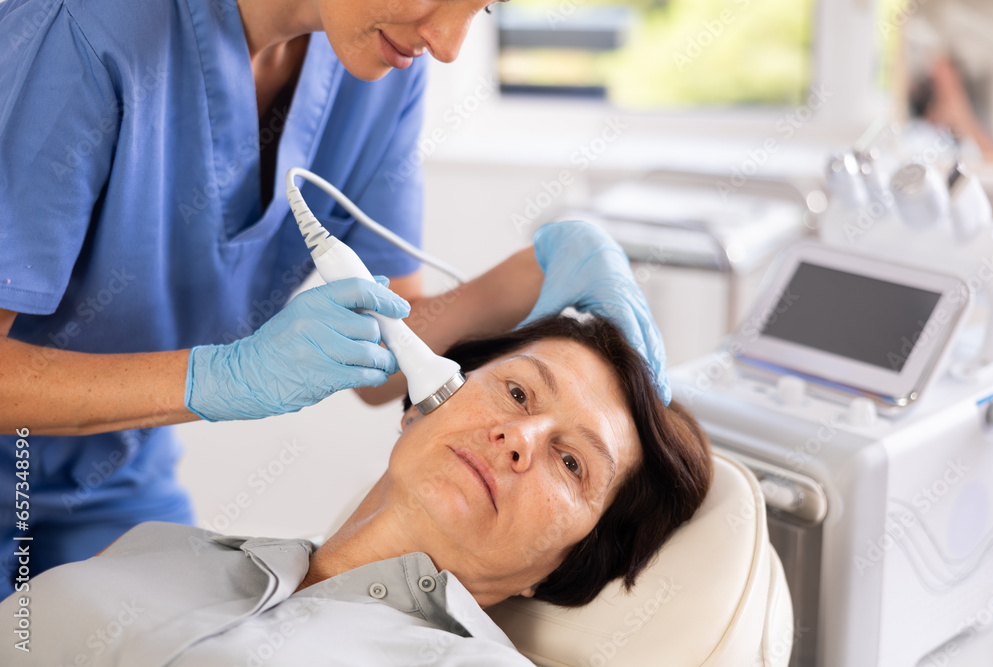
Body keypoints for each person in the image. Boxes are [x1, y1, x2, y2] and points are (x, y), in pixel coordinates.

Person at [0, 0, 672, 597]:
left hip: (111, 477)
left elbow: (386, 365)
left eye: (483, 8)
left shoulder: (383, 68)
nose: (448, 43)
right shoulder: (80, 28)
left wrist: (525, 274)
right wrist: (218, 378)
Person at [0, 315, 711, 665]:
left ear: (563, 563)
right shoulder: (161, 549)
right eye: (518, 391)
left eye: (572, 463)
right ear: (424, 401)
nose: (521, 437)